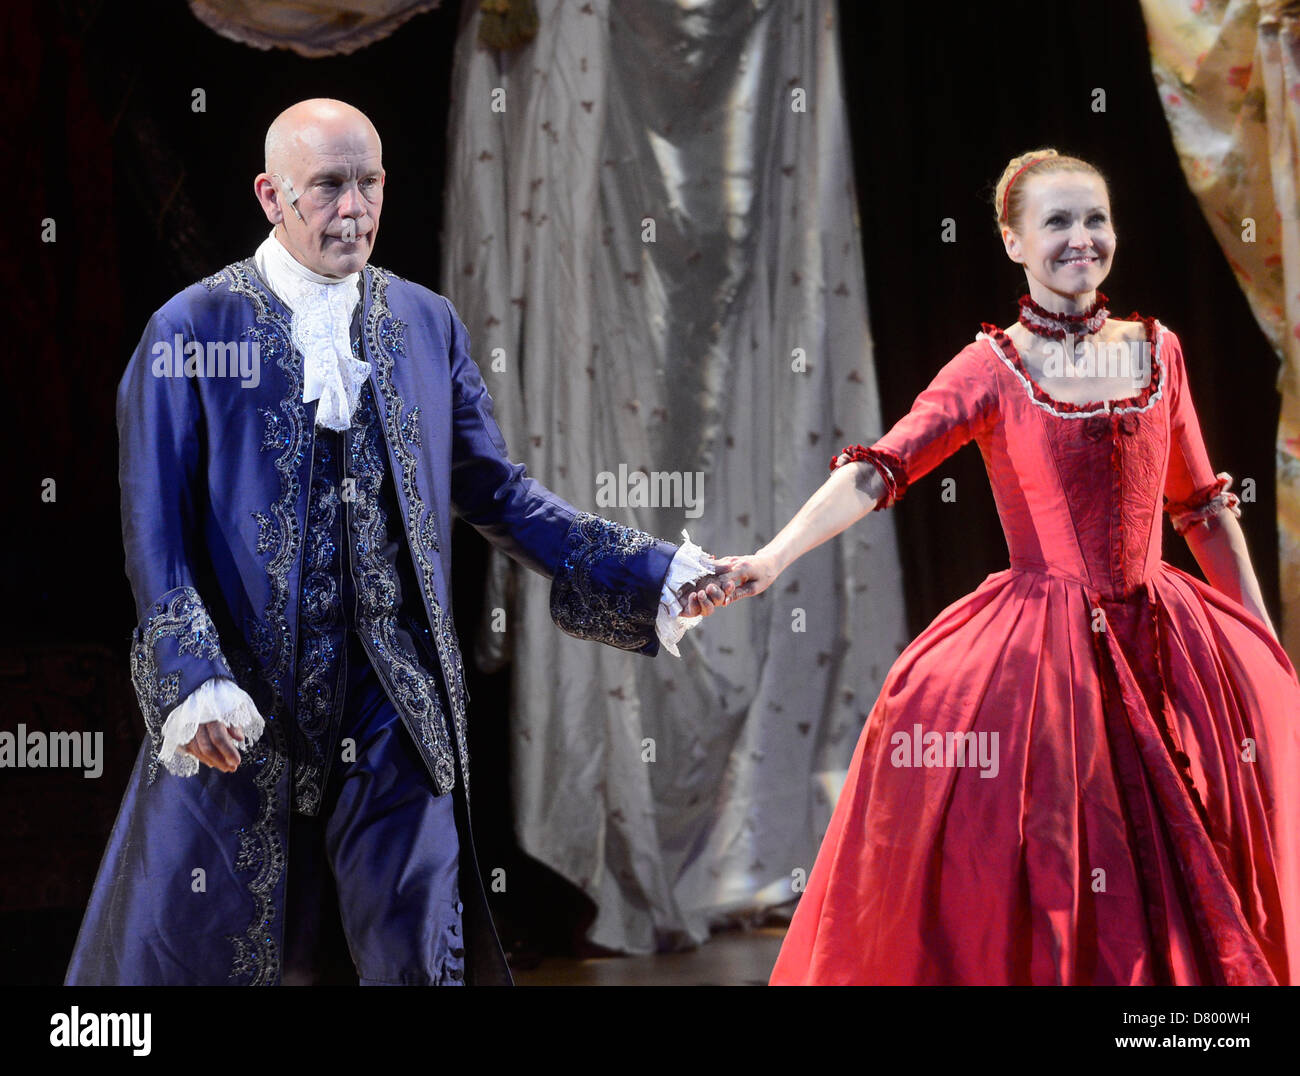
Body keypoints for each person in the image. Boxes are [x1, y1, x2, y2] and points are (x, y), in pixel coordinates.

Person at [65, 98, 730, 987]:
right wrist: (193, 680)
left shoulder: (425, 324)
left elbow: (499, 493)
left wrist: (650, 575)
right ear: (271, 195)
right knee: (215, 951)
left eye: (369, 183)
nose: (354, 209)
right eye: (328, 187)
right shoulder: (191, 332)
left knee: (414, 952)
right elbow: (155, 533)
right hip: (243, 703)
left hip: (396, 703)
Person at [686, 149, 1300, 985]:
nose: (1082, 238)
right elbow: (881, 468)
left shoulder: (1160, 350)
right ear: (1013, 242)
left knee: (1189, 859)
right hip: (1048, 660)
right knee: (1062, 863)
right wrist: (772, 556)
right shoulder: (993, 366)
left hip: (1163, 641)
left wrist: (1259, 647)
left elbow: (1202, 509)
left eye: (1096, 219)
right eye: (1058, 222)